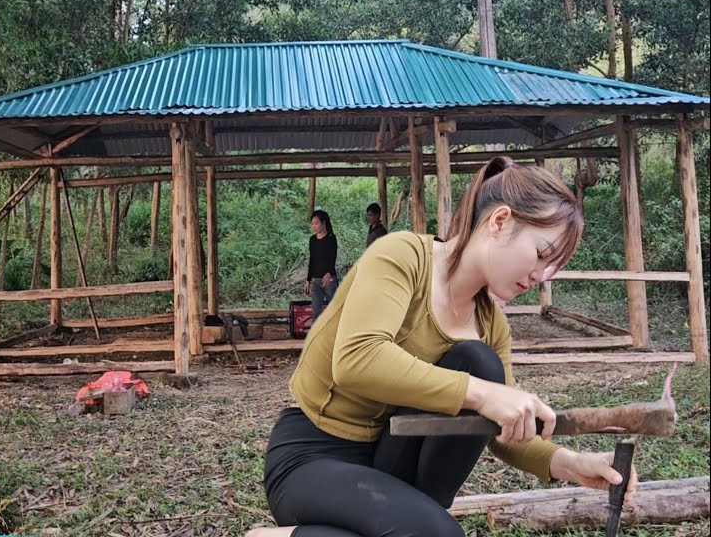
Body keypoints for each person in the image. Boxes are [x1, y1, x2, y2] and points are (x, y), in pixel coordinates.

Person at [252, 157, 637, 537]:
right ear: (499, 221)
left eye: (553, 266)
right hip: (312, 457)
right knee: (436, 530)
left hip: (389, 461)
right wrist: (482, 395)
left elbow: (499, 431)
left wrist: (572, 463)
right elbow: (356, 359)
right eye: (540, 254)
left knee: (478, 360)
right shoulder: (402, 257)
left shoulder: (491, 326)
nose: (541, 275)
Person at [306, 210, 339, 317]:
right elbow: (312, 259)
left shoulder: (331, 238)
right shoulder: (312, 240)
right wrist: (308, 279)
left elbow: (332, 257)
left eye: (316, 223)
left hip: (328, 279)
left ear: (323, 223)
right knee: (316, 312)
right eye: (312, 224)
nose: (314, 226)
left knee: (333, 310)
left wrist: (329, 272)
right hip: (316, 280)